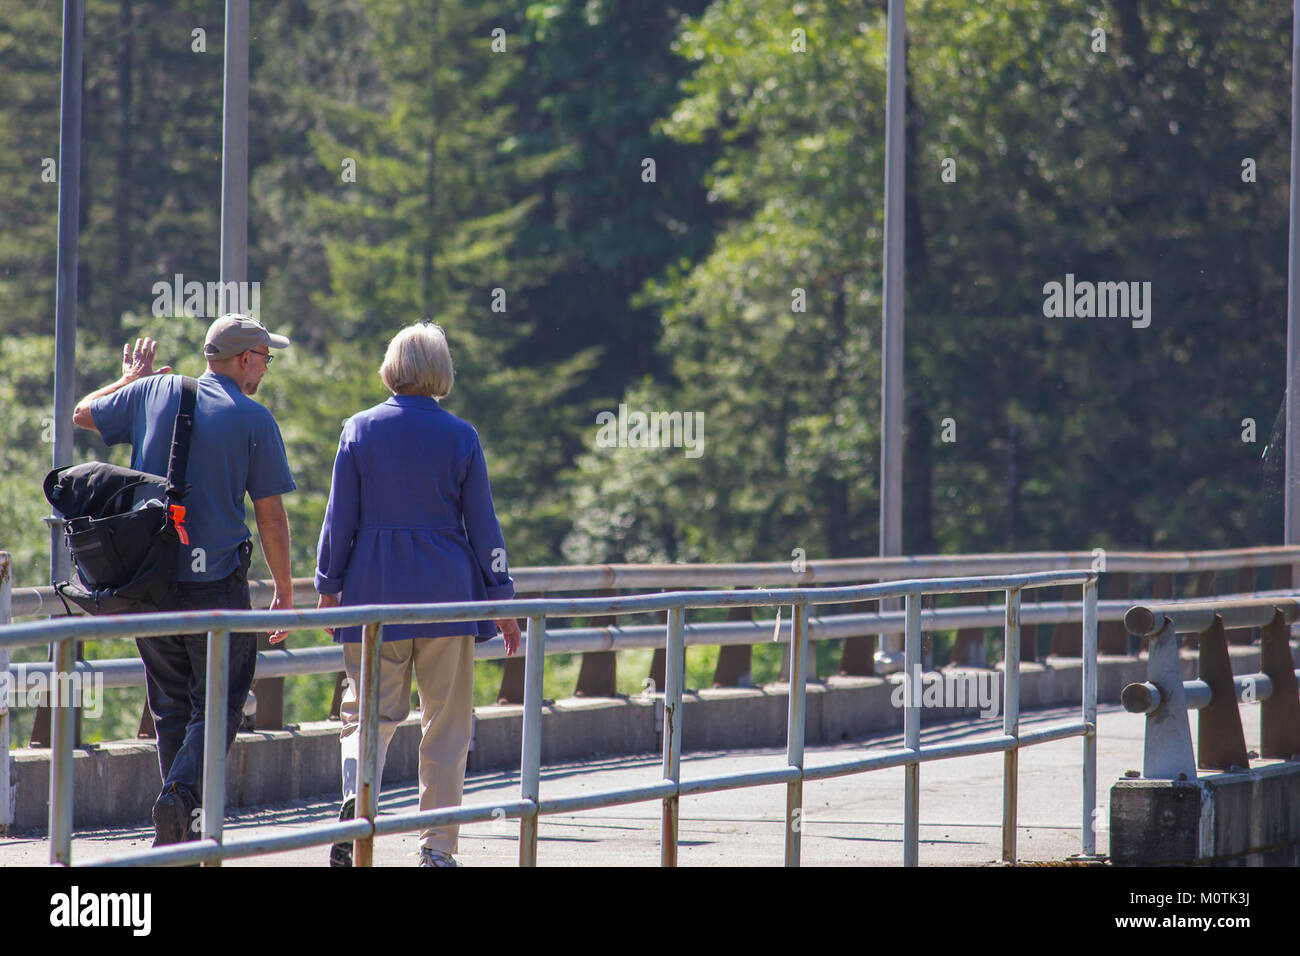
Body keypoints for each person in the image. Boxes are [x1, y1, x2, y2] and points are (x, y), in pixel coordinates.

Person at [72, 317, 296, 846]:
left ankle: (180, 832)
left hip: (150, 582)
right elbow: (270, 518)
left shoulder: (151, 391)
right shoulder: (254, 419)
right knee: (219, 702)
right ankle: (179, 798)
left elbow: (83, 412)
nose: (267, 366)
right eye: (266, 356)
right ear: (244, 360)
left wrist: (130, 380)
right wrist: (284, 588)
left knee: (171, 705)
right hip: (216, 586)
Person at [315, 321, 521, 868]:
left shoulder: (358, 431)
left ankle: (356, 810)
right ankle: (436, 848)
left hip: (373, 593)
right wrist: (501, 597)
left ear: (391, 366)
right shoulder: (461, 437)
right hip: (446, 597)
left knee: (369, 718)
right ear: (441, 371)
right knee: (446, 726)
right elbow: (483, 525)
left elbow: (340, 520)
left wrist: (328, 588)